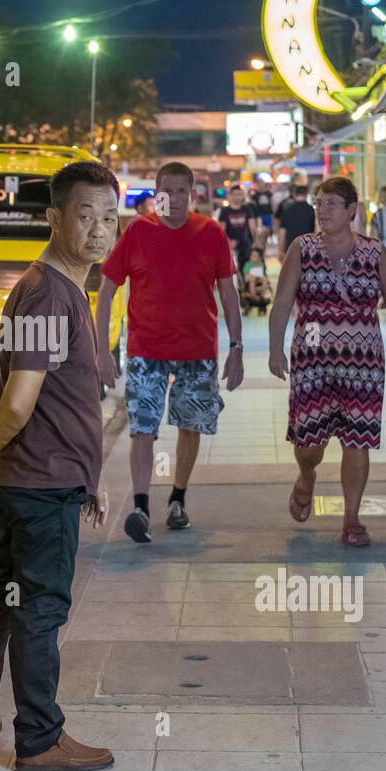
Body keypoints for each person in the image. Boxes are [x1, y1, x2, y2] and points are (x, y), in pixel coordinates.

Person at [0, 160, 116, 771]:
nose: (100, 230)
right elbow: (22, 397)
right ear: (53, 218)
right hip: (38, 483)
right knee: (40, 609)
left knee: (3, 592)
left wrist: (87, 477)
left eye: (109, 218)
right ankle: (41, 741)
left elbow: (59, 399)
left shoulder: (64, 287)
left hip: (45, 478)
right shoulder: (48, 291)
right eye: (85, 215)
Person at [96, 161, 245, 544]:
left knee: (190, 425)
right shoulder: (138, 232)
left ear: (192, 194)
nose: (174, 198)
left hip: (198, 351)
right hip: (147, 349)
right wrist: (102, 349)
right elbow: (108, 288)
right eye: (167, 190)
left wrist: (236, 348)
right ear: (156, 194)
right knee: (143, 428)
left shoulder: (210, 233)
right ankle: (141, 507)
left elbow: (229, 294)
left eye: (182, 191)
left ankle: (178, 499)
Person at [269, 176, 386, 547]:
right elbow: (284, 302)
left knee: (358, 440)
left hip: (363, 364)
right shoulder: (301, 248)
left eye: (331, 203)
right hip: (312, 359)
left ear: (352, 210)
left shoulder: (375, 252)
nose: (322, 210)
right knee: (308, 443)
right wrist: (275, 347)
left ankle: (352, 519)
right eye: (319, 203)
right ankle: (306, 477)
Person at [218, 184, 258, 277]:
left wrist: (255, 241)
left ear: (243, 196)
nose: (237, 196)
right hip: (231, 245)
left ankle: (246, 288)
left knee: (247, 269)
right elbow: (222, 230)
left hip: (246, 244)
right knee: (233, 270)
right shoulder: (225, 211)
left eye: (239, 194)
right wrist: (228, 242)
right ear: (230, 196)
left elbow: (252, 227)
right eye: (235, 194)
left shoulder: (247, 209)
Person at [275, 184, 316, 257]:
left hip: (291, 248)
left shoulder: (286, 211)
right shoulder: (311, 210)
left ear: (294, 195)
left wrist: (281, 251)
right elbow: (316, 230)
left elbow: (282, 233)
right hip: (308, 248)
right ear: (306, 195)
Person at [240, 247, 272, 315]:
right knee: (252, 278)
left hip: (259, 280)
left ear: (259, 258)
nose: (253, 257)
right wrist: (251, 276)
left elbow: (262, 274)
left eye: (255, 256)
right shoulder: (248, 264)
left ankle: (261, 296)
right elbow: (246, 276)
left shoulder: (261, 264)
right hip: (249, 279)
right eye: (252, 255)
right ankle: (254, 296)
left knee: (265, 279)